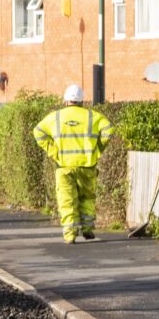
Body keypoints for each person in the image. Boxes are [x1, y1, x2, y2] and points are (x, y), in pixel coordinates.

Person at [32, 83, 114, 242]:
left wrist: (53, 151)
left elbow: (38, 132)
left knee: (67, 200)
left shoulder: (56, 117)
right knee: (87, 198)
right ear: (83, 101)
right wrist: (97, 149)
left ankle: (70, 234)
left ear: (65, 101)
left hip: (64, 167)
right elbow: (109, 129)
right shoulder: (92, 116)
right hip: (87, 166)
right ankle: (88, 228)